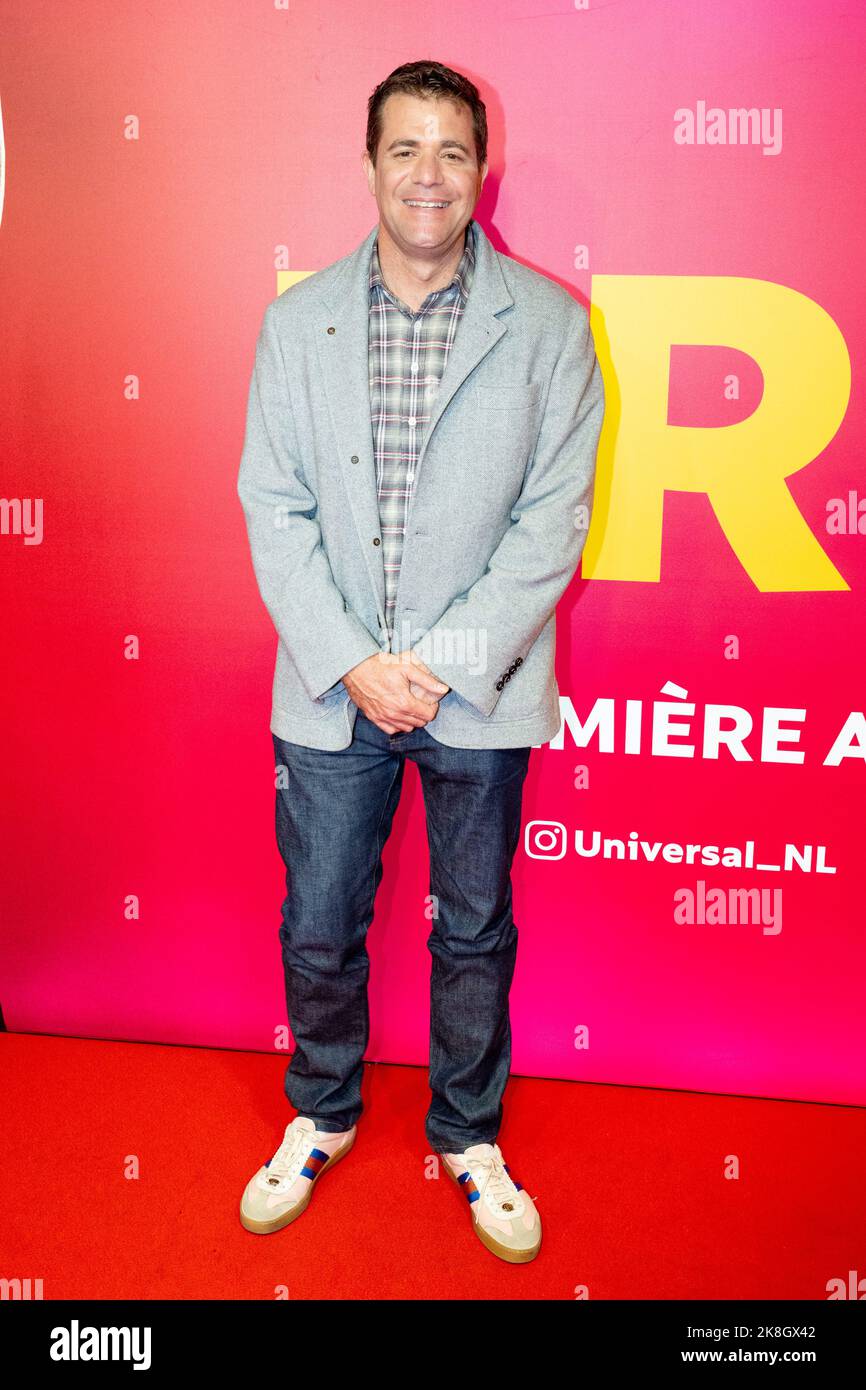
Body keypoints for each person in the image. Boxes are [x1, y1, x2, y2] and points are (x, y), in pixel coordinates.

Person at [236, 59, 604, 1264]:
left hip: (477, 696)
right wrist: (353, 663)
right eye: (406, 149)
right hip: (328, 690)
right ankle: (323, 1107)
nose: (429, 174)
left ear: (479, 171)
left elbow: (550, 523)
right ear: (369, 166)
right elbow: (272, 507)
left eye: (452, 150)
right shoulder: (297, 321)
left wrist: (433, 665)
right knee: (319, 920)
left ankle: (467, 1130)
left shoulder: (551, 324)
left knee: (475, 925)